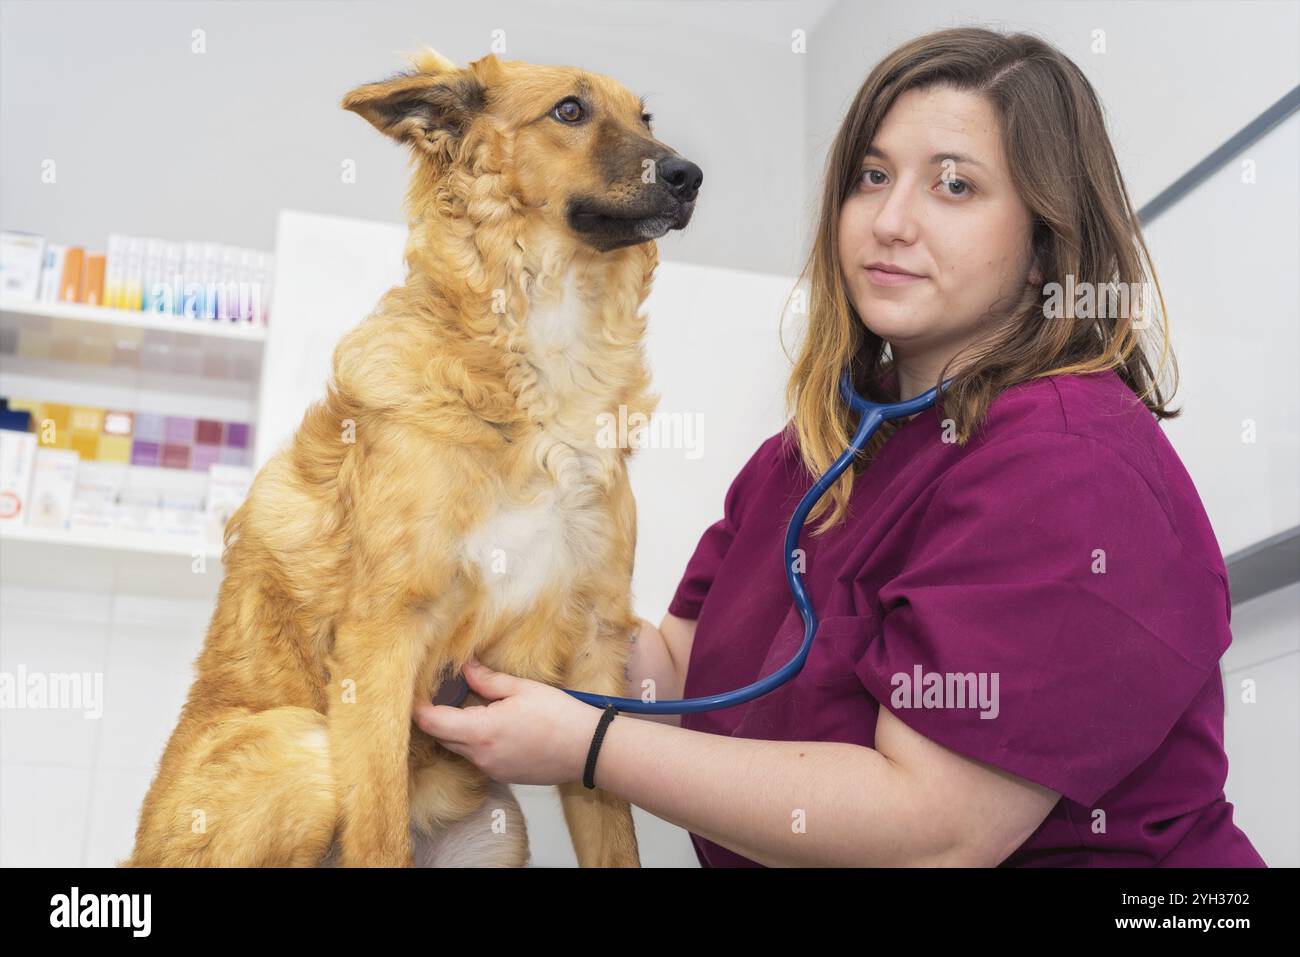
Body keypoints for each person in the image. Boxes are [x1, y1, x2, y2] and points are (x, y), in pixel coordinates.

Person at [414, 26, 1267, 867]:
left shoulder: (1070, 465)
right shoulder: (811, 451)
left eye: (955, 187)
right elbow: (676, 669)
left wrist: (588, 746)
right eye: (872, 176)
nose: (890, 221)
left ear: (1045, 242)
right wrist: (492, 605)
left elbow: (935, 827)